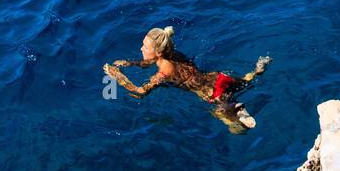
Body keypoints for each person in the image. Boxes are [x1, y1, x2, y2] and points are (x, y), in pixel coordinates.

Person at [103, 26, 270, 134]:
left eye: (145, 47)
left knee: (227, 121)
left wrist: (118, 77)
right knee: (245, 81)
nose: (141, 48)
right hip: (219, 78)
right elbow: (148, 62)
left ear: (158, 53)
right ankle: (257, 70)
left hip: (212, 94)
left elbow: (140, 93)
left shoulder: (163, 72)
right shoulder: (173, 54)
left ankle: (237, 116)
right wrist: (129, 63)